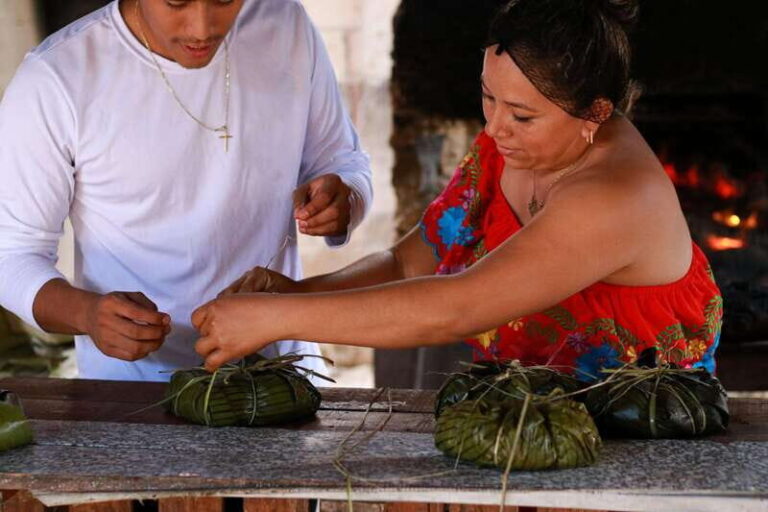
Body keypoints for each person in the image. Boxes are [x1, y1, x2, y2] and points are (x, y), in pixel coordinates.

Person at [192, 0, 722, 381]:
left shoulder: (616, 197)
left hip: (637, 444)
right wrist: (297, 293)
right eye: (489, 98)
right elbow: (409, 264)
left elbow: (459, 307)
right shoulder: (510, 146)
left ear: (596, 113)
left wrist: (274, 319)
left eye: (521, 114)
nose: (494, 128)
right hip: (533, 424)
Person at [0, 0, 372, 381]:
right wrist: (87, 314)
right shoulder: (57, 76)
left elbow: (344, 160)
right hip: (132, 393)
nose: (201, 28)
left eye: (225, 0)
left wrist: (347, 198)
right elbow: (11, 254)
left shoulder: (285, 23)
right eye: (176, 2)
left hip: (282, 376)